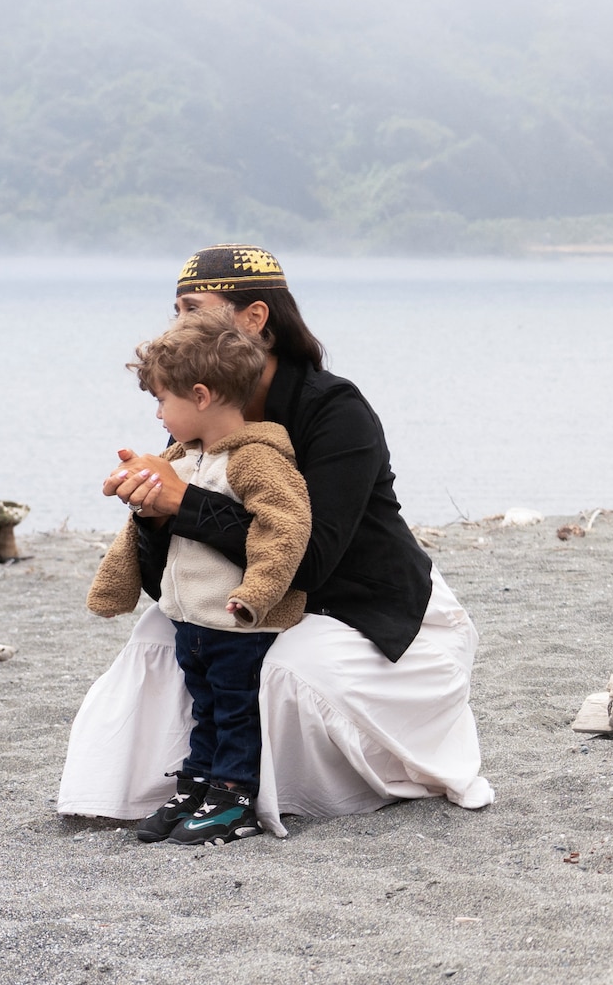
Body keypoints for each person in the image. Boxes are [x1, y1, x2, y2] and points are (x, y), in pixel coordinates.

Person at [57, 245, 493, 834]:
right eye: (174, 311)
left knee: (287, 669)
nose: (176, 326)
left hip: (372, 607)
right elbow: (174, 580)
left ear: (255, 318)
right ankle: (190, 784)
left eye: (191, 309)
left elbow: (308, 562)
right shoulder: (200, 415)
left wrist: (183, 502)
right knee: (158, 639)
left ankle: (245, 792)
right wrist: (152, 513)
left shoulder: (334, 410)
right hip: (257, 594)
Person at [85, 311, 312, 845]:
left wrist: (255, 595)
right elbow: (134, 529)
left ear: (202, 396)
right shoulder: (179, 458)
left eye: (162, 400)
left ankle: (234, 799)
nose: (158, 413)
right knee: (203, 706)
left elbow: (286, 527)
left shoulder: (255, 459)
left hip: (239, 622)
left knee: (236, 711)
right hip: (191, 620)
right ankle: (198, 786)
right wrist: (114, 587)